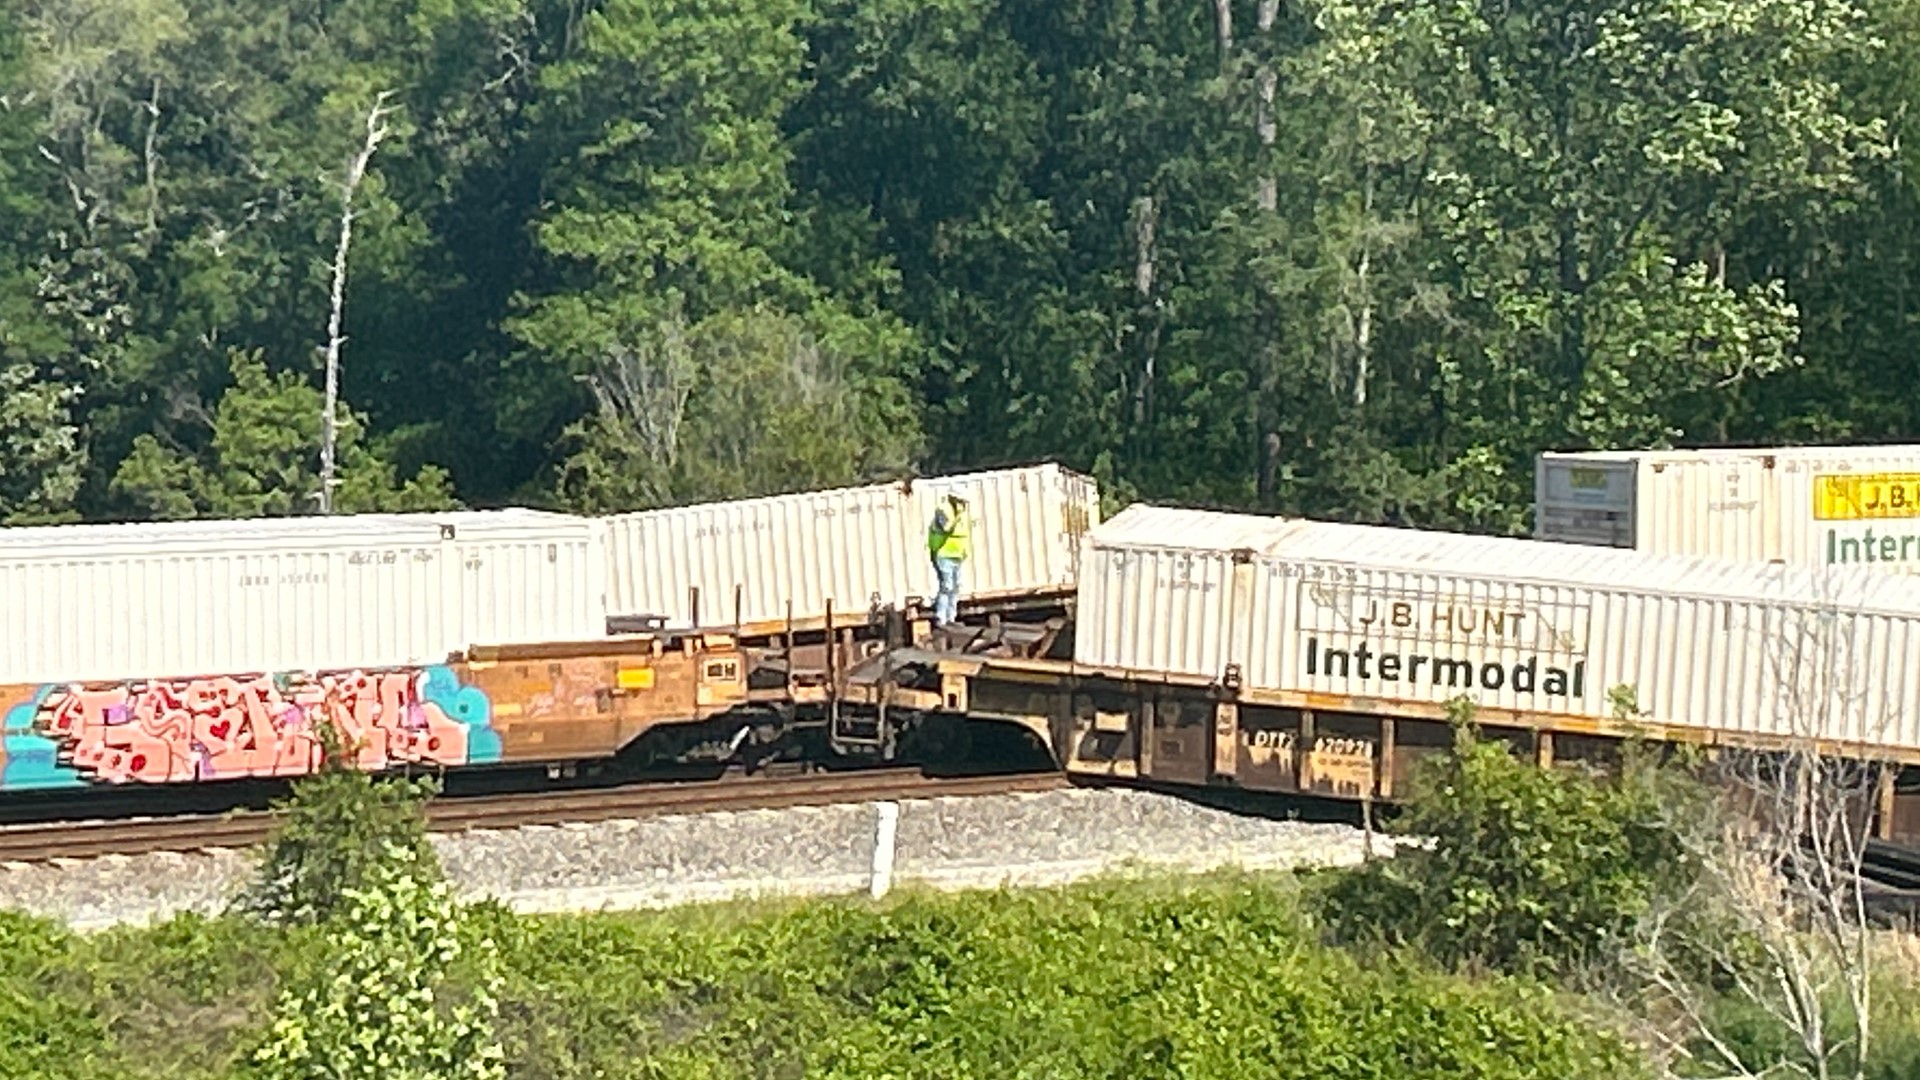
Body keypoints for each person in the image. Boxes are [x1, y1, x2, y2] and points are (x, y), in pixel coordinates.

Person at [927, 492, 970, 627]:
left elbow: (964, 534)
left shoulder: (962, 512)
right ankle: (941, 618)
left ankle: (951, 618)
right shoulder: (943, 510)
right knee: (947, 586)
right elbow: (946, 528)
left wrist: (964, 552)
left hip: (956, 555)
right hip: (943, 554)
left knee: (955, 587)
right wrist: (956, 517)